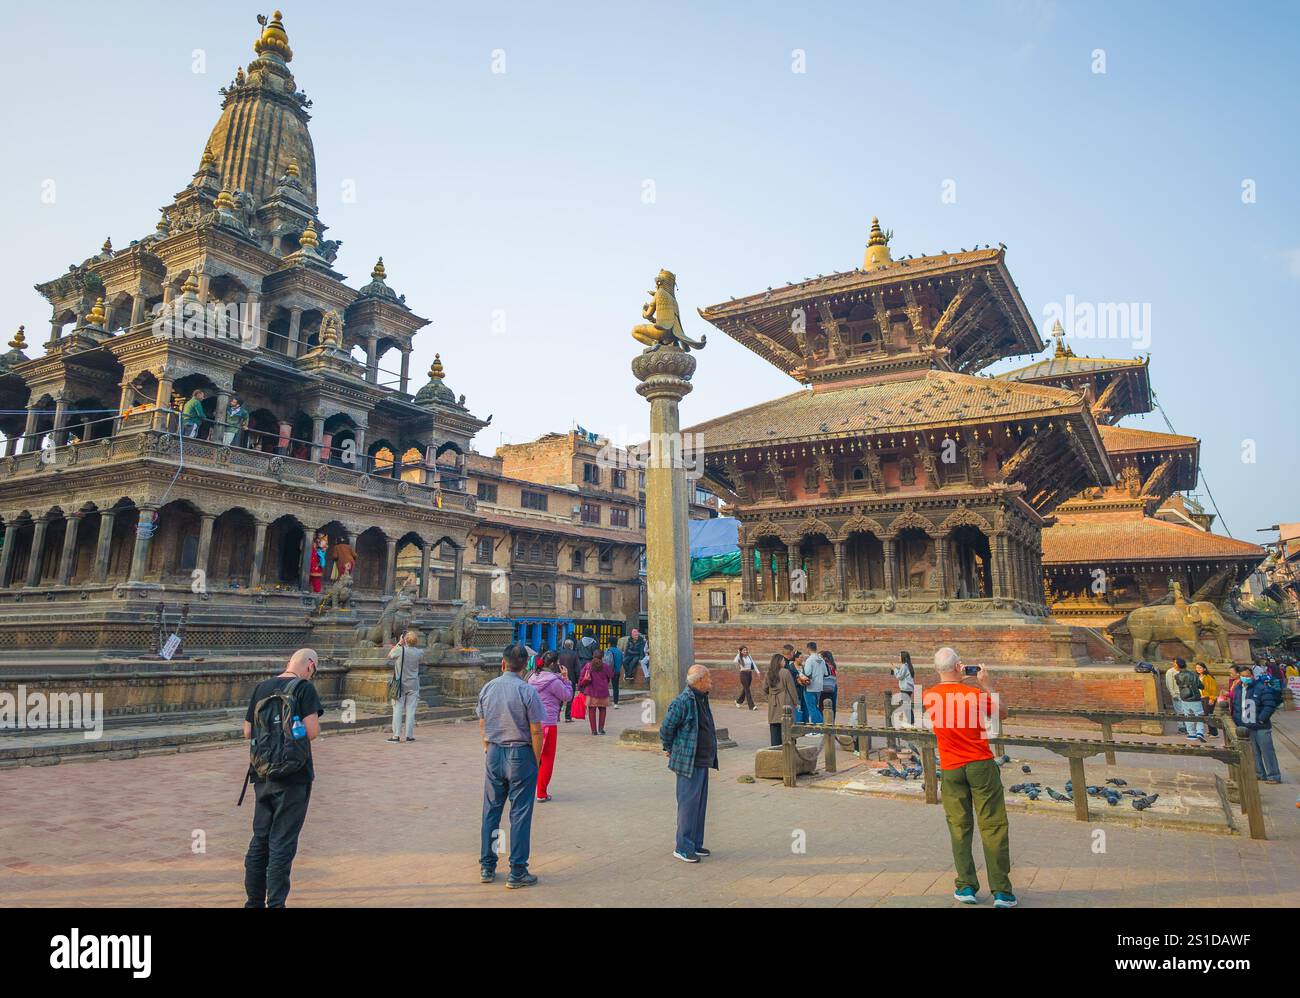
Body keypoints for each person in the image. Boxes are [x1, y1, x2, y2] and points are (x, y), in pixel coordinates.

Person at [923, 647, 1015, 908]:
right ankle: (1002, 892)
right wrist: (986, 684)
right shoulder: (974, 695)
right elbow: (1003, 713)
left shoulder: (929, 696)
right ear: (959, 666)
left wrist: (955, 680)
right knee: (993, 826)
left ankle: (965, 886)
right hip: (980, 764)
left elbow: (948, 695)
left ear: (937, 669)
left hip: (951, 768)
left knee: (959, 826)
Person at [242, 648, 324, 908]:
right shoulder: (304, 688)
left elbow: (247, 731)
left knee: (260, 840)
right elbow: (312, 731)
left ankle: (253, 902)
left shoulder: (262, 687)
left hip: (262, 772)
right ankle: (276, 904)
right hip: (293, 776)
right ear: (310, 666)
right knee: (282, 842)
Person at [477, 644, 546, 888]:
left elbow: (482, 722)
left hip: (494, 752)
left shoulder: (488, 687)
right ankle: (517, 870)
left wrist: (487, 746)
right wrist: (536, 759)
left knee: (491, 811)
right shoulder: (527, 691)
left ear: (503, 663)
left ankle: (487, 865)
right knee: (520, 814)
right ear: (525, 665)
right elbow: (536, 730)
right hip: (520, 754)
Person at [660, 665, 718, 863]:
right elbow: (666, 728)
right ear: (699, 680)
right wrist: (669, 747)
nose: (711, 681)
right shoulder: (683, 701)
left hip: (702, 759)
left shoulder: (702, 698)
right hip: (688, 761)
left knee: (699, 805)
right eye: (708, 678)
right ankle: (683, 847)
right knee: (688, 805)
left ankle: (695, 843)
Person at [527, 650, 572, 801]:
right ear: (553, 664)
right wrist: (566, 678)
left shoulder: (531, 677)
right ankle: (541, 792)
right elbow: (567, 696)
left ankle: (527, 789)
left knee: (533, 757)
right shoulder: (554, 682)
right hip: (548, 723)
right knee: (546, 759)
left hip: (532, 722)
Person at [1231, 666, 1282, 784]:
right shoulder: (1238, 688)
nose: (1246, 678)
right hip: (1246, 725)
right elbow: (1237, 705)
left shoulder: (1261, 688)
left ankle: (1273, 776)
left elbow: (1269, 705)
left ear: (1252, 676)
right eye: (1243, 676)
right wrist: (1237, 721)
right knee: (1254, 752)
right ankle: (1259, 774)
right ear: (1239, 676)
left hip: (1261, 726)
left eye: (1248, 676)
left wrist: (1261, 719)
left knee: (1267, 751)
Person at [387, 630, 423, 743]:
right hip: (413, 684)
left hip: (400, 684)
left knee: (398, 709)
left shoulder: (400, 650)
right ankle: (409, 736)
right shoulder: (420, 652)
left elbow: (390, 655)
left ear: (405, 640)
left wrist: (399, 643)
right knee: (411, 711)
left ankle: (396, 736)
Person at [763, 652, 801, 746]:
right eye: (783, 660)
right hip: (785, 701)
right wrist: (796, 702)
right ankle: (789, 747)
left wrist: (770, 696)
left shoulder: (769, 673)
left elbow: (765, 688)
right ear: (779, 662)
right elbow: (791, 688)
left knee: (774, 726)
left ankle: (775, 748)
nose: (784, 662)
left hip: (773, 702)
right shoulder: (785, 672)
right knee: (787, 725)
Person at [578, 649, 615, 735]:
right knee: (603, 709)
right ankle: (601, 729)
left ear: (593, 655)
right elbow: (611, 675)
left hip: (591, 692)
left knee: (592, 710)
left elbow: (581, 677)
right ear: (602, 657)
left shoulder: (588, 665)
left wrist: (580, 687)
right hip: (603, 691)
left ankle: (593, 730)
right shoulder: (605, 666)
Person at [1169, 658, 1206, 741]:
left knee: (1188, 716)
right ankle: (1199, 732)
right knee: (1199, 715)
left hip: (1185, 698)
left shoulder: (1177, 676)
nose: (1174, 665)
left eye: (1175, 664)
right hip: (1195, 698)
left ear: (1178, 665)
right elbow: (1201, 686)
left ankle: (1191, 734)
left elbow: (1180, 685)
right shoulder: (1193, 674)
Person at [800, 641, 827, 724]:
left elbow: (807, 673)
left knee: (811, 708)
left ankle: (817, 726)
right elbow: (825, 673)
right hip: (819, 687)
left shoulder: (810, 660)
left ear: (808, 649)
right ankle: (821, 724)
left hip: (810, 687)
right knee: (815, 707)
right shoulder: (821, 659)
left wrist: (802, 670)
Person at [1194, 662, 1219, 736]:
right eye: (1197, 667)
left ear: (1204, 669)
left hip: (1208, 698)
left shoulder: (1208, 677)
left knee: (1208, 715)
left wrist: (1212, 698)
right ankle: (1211, 731)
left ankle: (1214, 733)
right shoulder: (1197, 676)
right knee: (1206, 715)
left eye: (1200, 668)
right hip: (1201, 698)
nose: (1198, 669)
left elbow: (1213, 689)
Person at [558, 638, 579, 723]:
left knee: (559, 696)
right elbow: (577, 668)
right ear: (571, 646)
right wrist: (578, 680)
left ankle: (557, 715)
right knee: (570, 696)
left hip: (560, 677)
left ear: (564, 645)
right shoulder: (574, 654)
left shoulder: (559, 653)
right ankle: (567, 716)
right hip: (571, 678)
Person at [894, 651, 916, 726]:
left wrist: (894, 669)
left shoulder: (904, 666)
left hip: (905, 689)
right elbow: (902, 674)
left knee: (906, 706)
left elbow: (899, 676)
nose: (898, 657)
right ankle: (911, 722)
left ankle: (911, 723)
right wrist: (896, 668)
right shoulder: (907, 665)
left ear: (903, 657)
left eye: (899, 656)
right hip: (908, 689)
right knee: (906, 705)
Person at [734, 645, 759, 710]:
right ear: (741, 651)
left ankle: (738, 701)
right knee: (747, 690)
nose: (745, 651)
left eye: (746, 650)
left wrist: (757, 672)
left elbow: (753, 663)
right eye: (744, 650)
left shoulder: (749, 656)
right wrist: (738, 653)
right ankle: (752, 706)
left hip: (749, 674)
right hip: (743, 674)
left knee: (745, 689)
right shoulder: (739, 657)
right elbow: (735, 661)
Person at [605, 641, 624, 708]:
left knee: (605, 686)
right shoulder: (619, 651)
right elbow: (622, 661)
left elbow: (606, 661)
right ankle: (616, 703)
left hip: (608, 671)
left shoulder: (608, 650)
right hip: (617, 671)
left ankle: (605, 701)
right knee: (616, 687)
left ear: (609, 644)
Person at [821, 650, 840, 715]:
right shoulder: (833, 665)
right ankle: (832, 719)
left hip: (826, 687)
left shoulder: (825, 665)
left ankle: (825, 718)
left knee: (824, 704)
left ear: (825, 657)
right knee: (833, 704)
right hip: (833, 686)